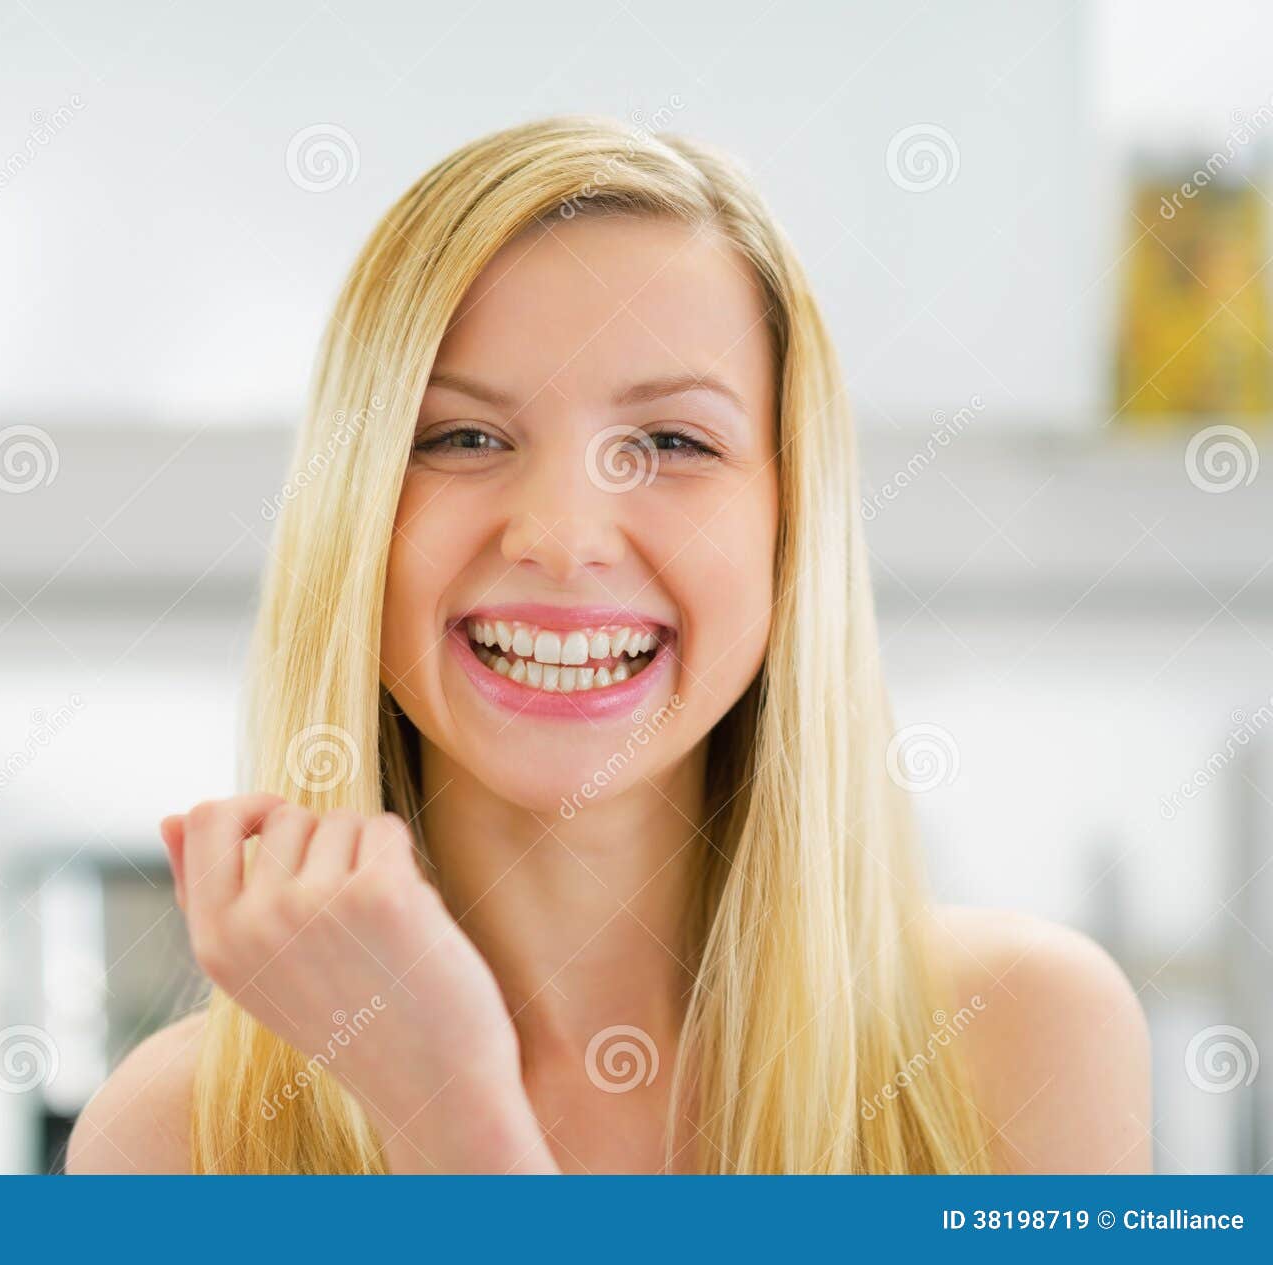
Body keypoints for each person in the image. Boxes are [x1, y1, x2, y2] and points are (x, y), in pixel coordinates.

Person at [66, 114, 1151, 1175]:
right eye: (461, 437)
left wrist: (452, 1119)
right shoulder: (172, 1142)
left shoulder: (1024, 1036)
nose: (562, 538)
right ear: (353, 513)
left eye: (673, 441)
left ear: (788, 522)